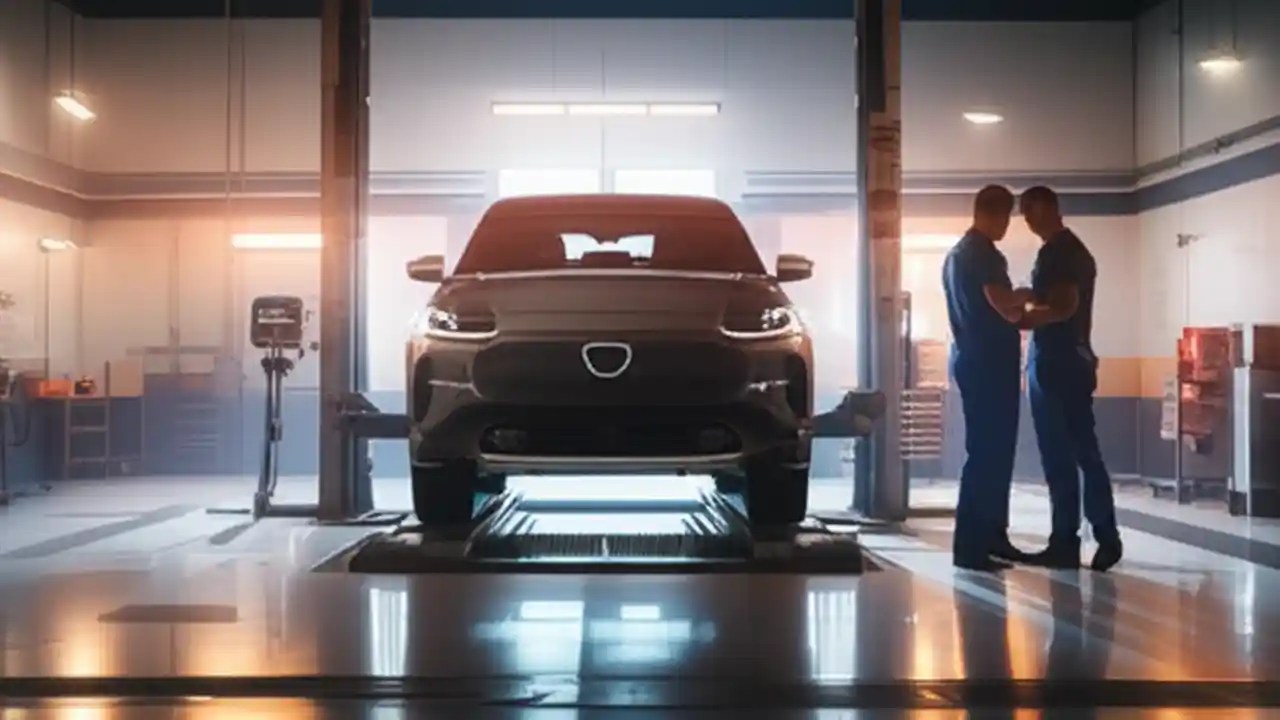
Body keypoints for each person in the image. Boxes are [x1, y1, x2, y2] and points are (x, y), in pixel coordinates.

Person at [1017, 186, 1123, 572]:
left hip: (1058, 362)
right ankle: (1103, 536)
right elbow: (1059, 299)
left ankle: (1067, 541)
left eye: (1030, 211)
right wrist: (1031, 295)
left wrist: (1022, 319)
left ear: (1049, 208)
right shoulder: (1067, 251)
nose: (1027, 220)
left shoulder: (1060, 252)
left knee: (1065, 456)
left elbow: (1064, 306)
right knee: (1082, 452)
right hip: (1069, 359)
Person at [942, 185, 1033, 572]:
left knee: (993, 452)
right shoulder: (983, 255)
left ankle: (993, 537)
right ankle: (972, 546)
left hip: (973, 359)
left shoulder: (956, 255)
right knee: (987, 454)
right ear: (994, 214)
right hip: (989, 364)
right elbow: (1003, 303)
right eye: (1007, 217)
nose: (1007, 226)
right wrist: (1027, 295)